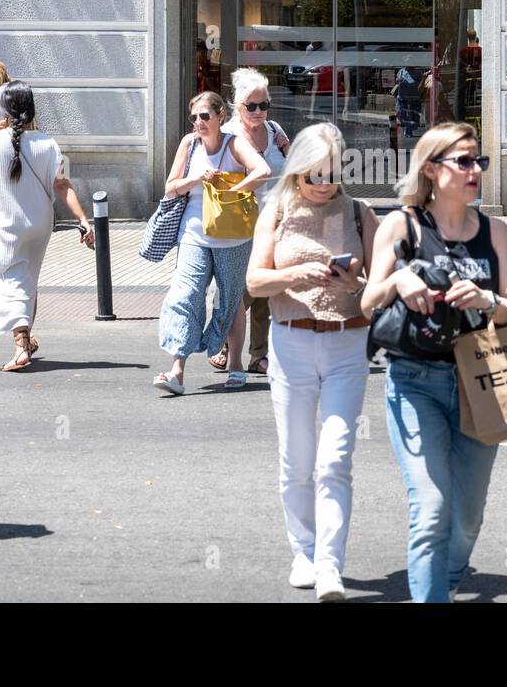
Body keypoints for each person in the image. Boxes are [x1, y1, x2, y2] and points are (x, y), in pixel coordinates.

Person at [361, 121, 507, 603]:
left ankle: (448, 579)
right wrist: (400, 280)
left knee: (467, 513)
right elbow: (367, 302)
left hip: (482, 380)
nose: (476, 170)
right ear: (432, 169)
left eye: (479, 161)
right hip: (414, 379)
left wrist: (488, 299)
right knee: (431, 506)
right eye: (464, 161)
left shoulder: (495, 232)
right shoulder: (402, 225)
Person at [247, 123, 379, 602]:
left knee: (335, 460)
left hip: (348, 343)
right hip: (292, 343)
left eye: (331, 173)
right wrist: (297, 273)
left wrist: (355, 288)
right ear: (297, 169)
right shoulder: (277, 209)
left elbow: (382, 290)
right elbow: (255, 281)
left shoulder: (361, 213)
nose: (323, 183)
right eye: (312, 175)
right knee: (296, 461)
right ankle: (302, 551)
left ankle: (329, 566)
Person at [153, 91, 271, 395]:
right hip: (193, 235)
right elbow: (170, 187)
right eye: (194, 117)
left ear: (220, 116)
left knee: (230, 303)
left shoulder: (234, 143)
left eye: (204, 116)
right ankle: (176, 371)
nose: (198, 122)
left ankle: (235, 366)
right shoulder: (189, 144)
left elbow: (263, 170)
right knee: (185, 294)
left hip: (234, 237)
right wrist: (196, 179)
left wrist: (234, 191)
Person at [0, 81, 94, 372]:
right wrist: (82, 219)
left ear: (6, 109)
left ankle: (21, 344)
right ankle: (27, 334)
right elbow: (62, 185)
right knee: (26, 280)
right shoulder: (47, 143)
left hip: (4, 224)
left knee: (10, 281)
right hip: (39, 225)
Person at [213, 68, 290, 376]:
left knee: (265, 291)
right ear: (237, 105)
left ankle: (258, 355)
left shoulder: (274, 130)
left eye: (264, 105)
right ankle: (222, 341)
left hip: (275, 220)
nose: (259, 112)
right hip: (240, 223)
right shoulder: (228, 134)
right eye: (252, 106)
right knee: (240, 288)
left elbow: (293, 167)